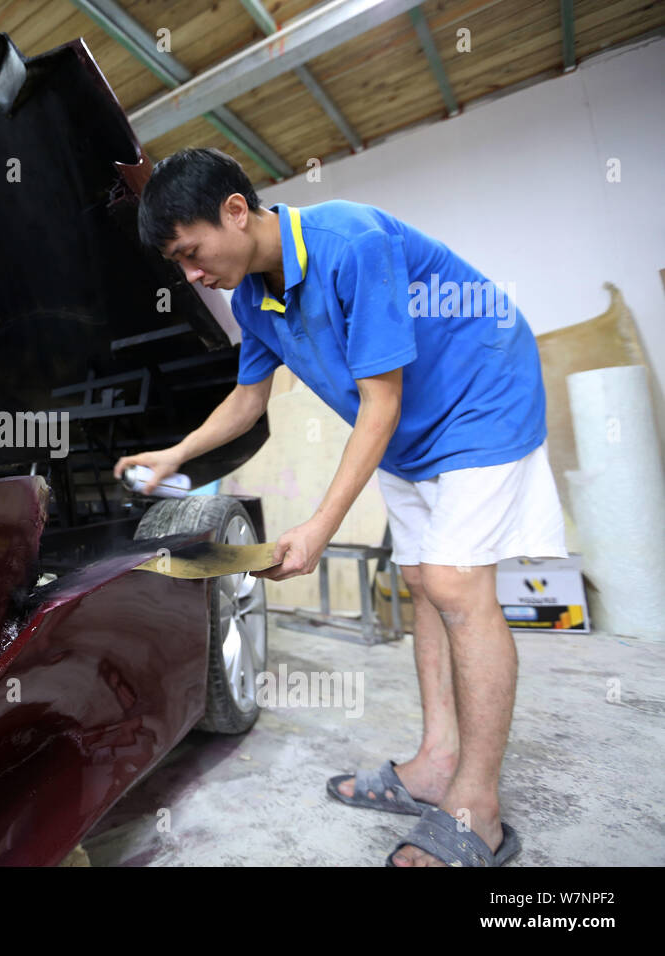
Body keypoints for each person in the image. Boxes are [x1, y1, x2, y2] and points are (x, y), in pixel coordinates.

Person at [113, 147, 565, 867]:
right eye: (180, 264)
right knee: (421, 584)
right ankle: (435, 764)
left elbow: (379, 401)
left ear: (236, 211)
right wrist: (175, 456)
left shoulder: (350, 242)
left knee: (453, 581)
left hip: (482, 391)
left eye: (192, 252)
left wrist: (318, 527)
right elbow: (248, 398)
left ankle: (477, 810)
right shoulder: (250, 298)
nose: (192, 275)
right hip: (417, 427)